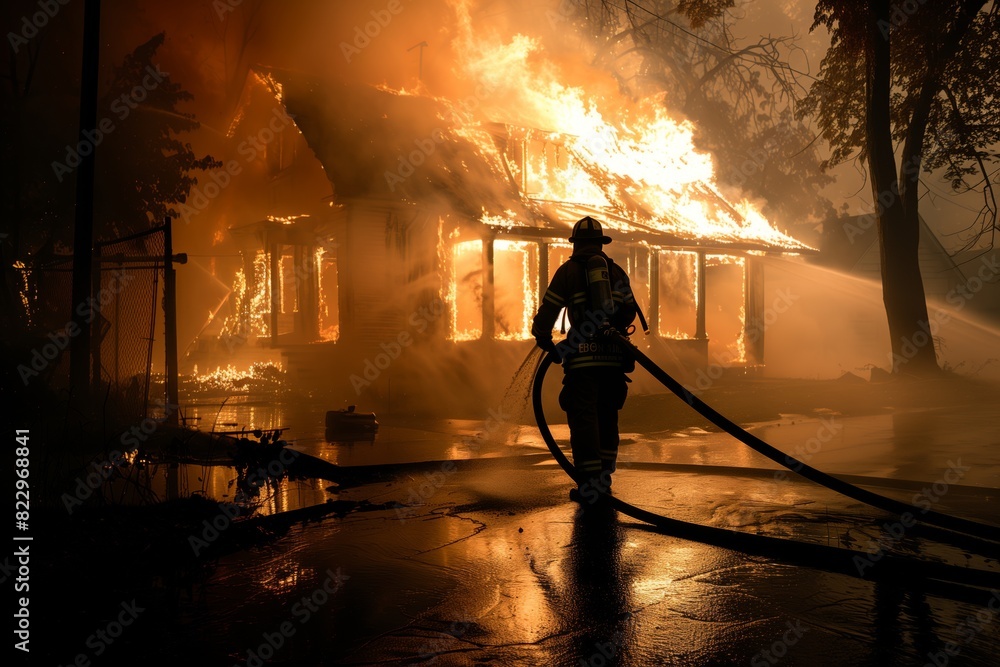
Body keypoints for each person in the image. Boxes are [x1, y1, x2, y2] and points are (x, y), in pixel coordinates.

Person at [531, 216, 637, 505]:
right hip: (613, 361)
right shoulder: (616, 272)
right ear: (600, 244)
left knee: (584, 417)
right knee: (607, 416)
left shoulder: (568, 272)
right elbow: (629, 311)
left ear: (576, 244)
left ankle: (589, 484)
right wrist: (611, 331)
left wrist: (545, 340)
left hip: (582, 362)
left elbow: (548, 312)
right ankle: (603, 478)